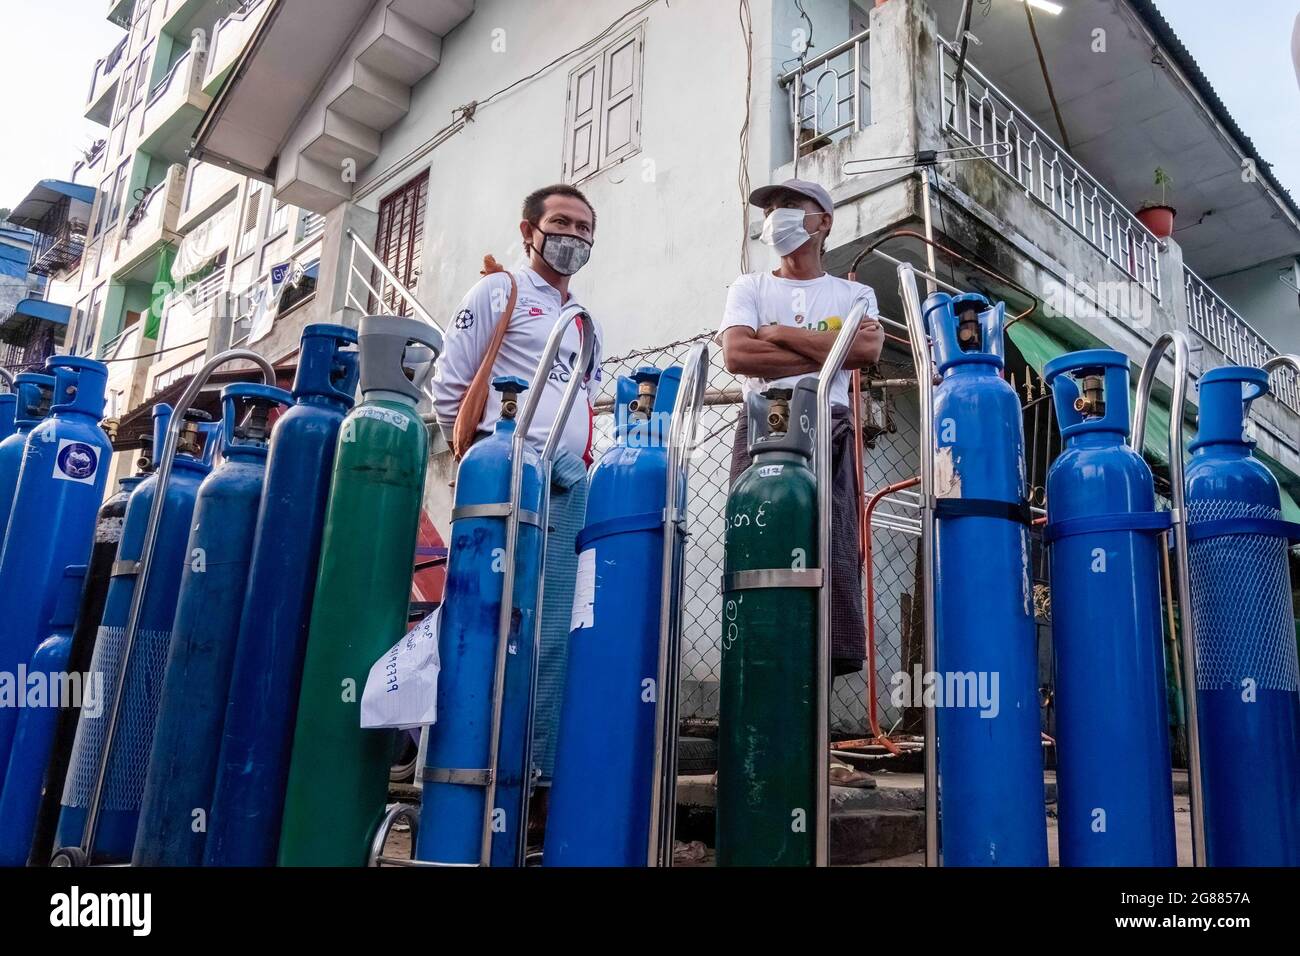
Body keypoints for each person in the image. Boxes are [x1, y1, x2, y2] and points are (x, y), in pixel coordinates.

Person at [431, 183, 604, 827]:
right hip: (507, 482)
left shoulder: (585, 319)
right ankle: (470, 760)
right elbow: (449, 387)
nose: (574, 236)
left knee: (553, 628)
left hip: (566, 486)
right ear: (530, 228)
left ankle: (534, 774)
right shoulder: (498, 293)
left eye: (584, 227)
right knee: (491, 621)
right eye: (561, 222)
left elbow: (582, 396)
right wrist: (491, 461)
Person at [718, 179, 884, 785]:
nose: (777, 217)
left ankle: (813, 746)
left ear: (824, 222)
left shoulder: (854, 290)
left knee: (828, 571)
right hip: (764, 429)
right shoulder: (750, 286)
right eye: (769, 209)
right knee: (760, 572)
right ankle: (760, 737)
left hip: (828, 430)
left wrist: (780, 336)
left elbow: (865, 349)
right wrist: (826, 349)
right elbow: (738, 356)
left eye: (791, 207)